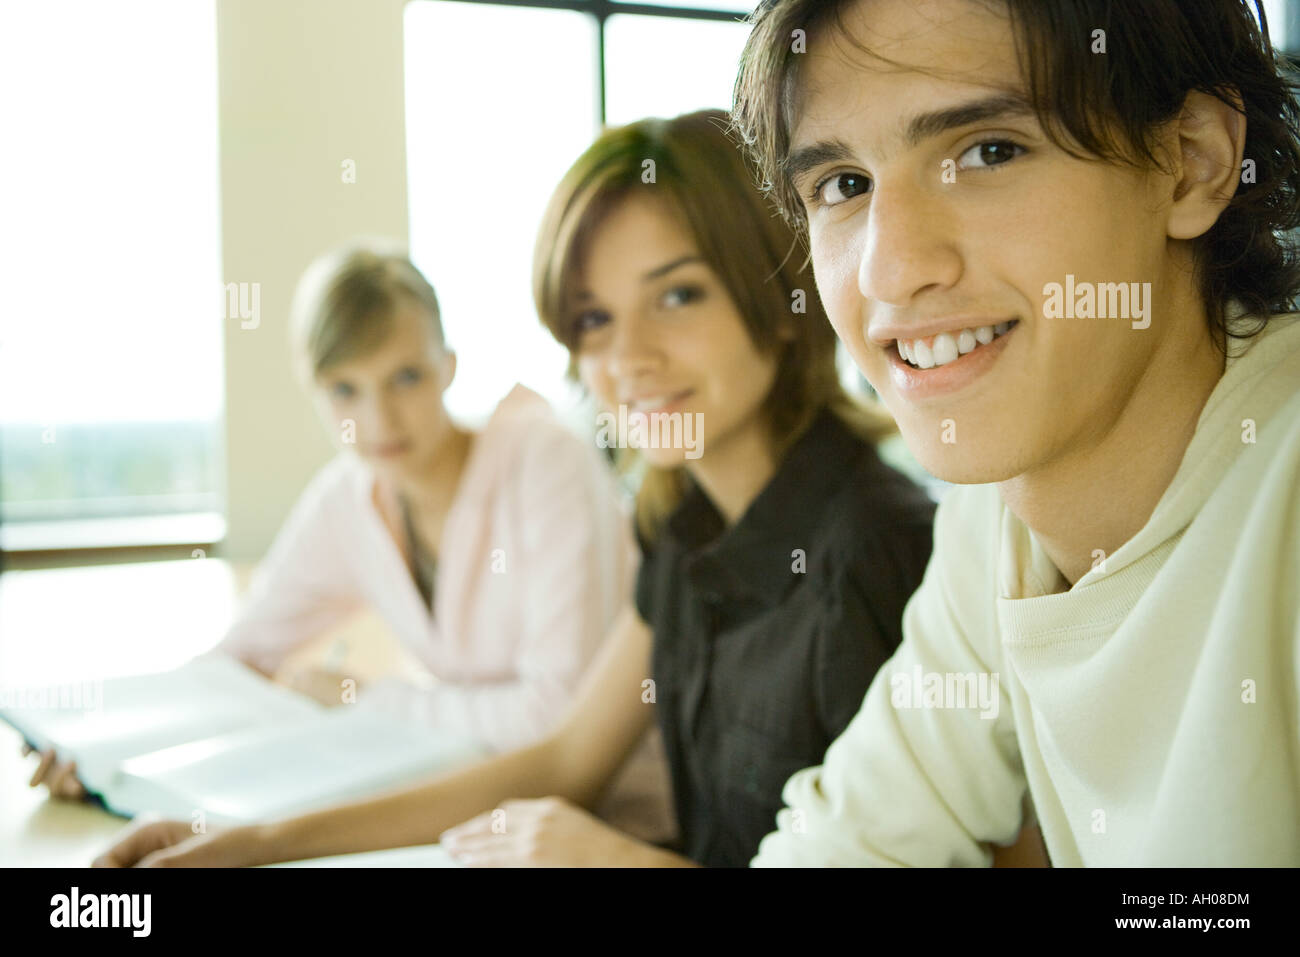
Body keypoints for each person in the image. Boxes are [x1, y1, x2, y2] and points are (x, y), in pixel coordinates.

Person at [92, 109, 936, 868]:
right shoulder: (685, 529)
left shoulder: (879, 547)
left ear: (786, 298)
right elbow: (561, 761)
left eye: (677, 295)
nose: (625, 361)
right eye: (594, 320)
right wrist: (253, 842)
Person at [731, 0, 1300, 865]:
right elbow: (847, 845)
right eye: (844, 185)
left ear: (1192, 162)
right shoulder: (994, 516)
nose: (891, 267)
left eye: (989, 151)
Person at [28, 242, 654, 822]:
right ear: (315, 393)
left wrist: (363, 697)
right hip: (480, 810)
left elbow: (553, 717)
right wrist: (102, 754)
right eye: (345, 390)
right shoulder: (347, 499)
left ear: (449, 367)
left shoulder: (544, 461)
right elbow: (240, 658)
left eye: (405, 378)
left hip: (621, 818)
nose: (377, 420)